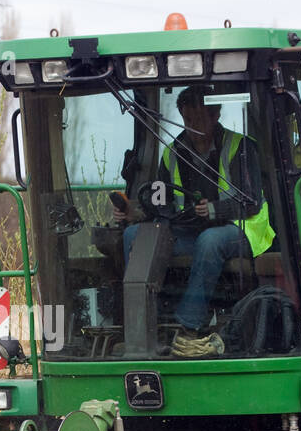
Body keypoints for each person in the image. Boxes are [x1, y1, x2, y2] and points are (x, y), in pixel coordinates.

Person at [115, 85, 274, 357]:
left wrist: (215, 210)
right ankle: (141, 328)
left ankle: (188, 329)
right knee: (135, 236)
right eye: (188, 120)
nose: (192, 127)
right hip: (189, 231)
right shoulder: (173, 152)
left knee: (209, 240)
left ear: (215, 115)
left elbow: (251, 202)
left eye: (199, 120)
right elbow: (162, 202)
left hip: (242, 230)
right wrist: (135, 212)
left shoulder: (242, 148)